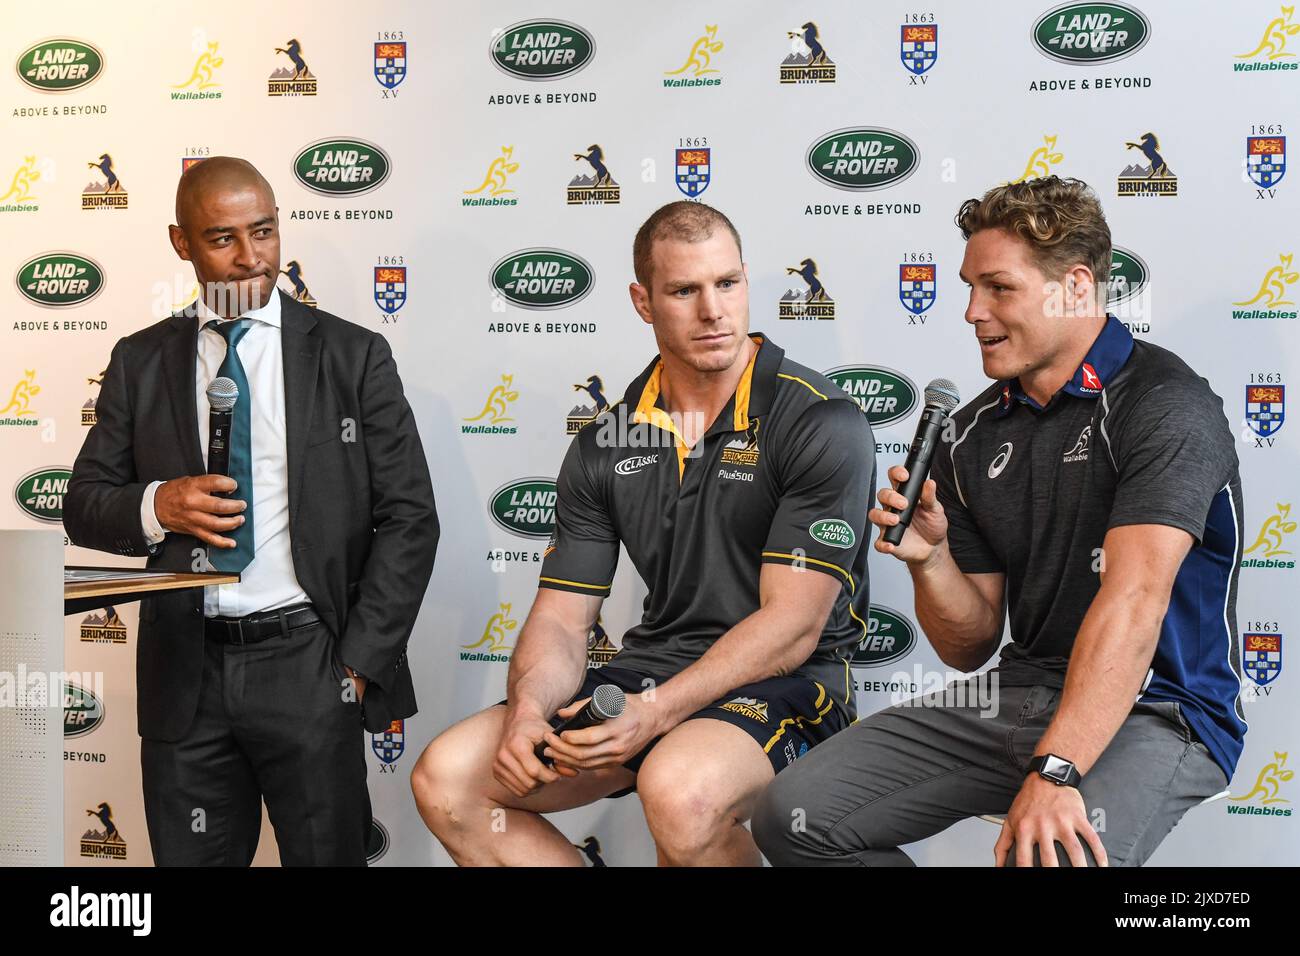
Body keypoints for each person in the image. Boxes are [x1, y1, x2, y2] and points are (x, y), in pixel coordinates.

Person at [753, 176, 1245, 867]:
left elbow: (1135, 603)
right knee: (793, 815)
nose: (971, 312)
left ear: (1075, 287)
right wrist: (932, 561)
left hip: (1161, 708)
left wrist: (1056, 772)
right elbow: (969, 642)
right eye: (968, 287)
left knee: (1047, 858)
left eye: (998, 288)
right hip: (1021, 692)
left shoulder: (1166, 407)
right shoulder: (969, 433)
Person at [411, 201, 874, 866]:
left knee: (680, 790)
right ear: (642, 300)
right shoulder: (608, 439)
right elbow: (564, 622)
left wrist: (654, 712)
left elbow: (793, 628)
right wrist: (526, 714)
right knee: (448, 778)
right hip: (653, 673)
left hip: (791, 685)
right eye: (685, 291)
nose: (713, 311)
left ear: (745, 280)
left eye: (727, 284)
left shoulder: (818, 419)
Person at [64, 157, 439, 866]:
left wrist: (355, 664)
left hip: (310, 663)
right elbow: (83, 504)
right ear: (181, 243)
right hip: (185, 674)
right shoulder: (140, 361)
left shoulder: (351, 355)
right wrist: (157, 504)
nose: (250, 258)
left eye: (262, 232)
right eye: (222, 238)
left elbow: (412, 519)